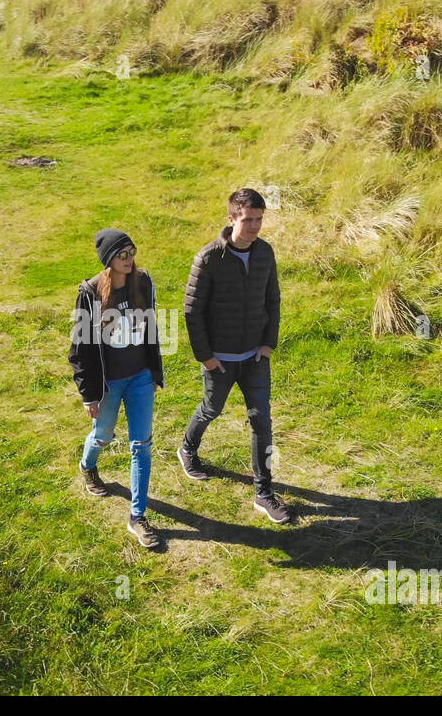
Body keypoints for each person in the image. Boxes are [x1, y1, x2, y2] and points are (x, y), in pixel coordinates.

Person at [177, 188, 290, 523]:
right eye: (248, 220)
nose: (254, 226)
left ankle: (264, 492)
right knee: (212, 408)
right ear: (231, 218)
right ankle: (187, 448)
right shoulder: (209, 258)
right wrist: (206, 357)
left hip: (255, 357)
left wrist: (269, 344)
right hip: (221, 360)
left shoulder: (265, 254)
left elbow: (273, 301)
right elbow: (191, 312)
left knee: (262, 422)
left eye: (259, 219)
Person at [69, 228, 166, 548]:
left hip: (139, 378)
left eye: (132, 252)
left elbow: (153, 326)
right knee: (103, 436)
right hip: (108, 384)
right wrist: (88, 394)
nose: (129, 259)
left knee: (142, 446)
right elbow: (80, 348)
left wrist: (154, 370)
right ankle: (88, 466)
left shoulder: (144, 282)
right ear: (108, 259)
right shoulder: (91, 292)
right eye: (121, 255)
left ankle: (137, 516)